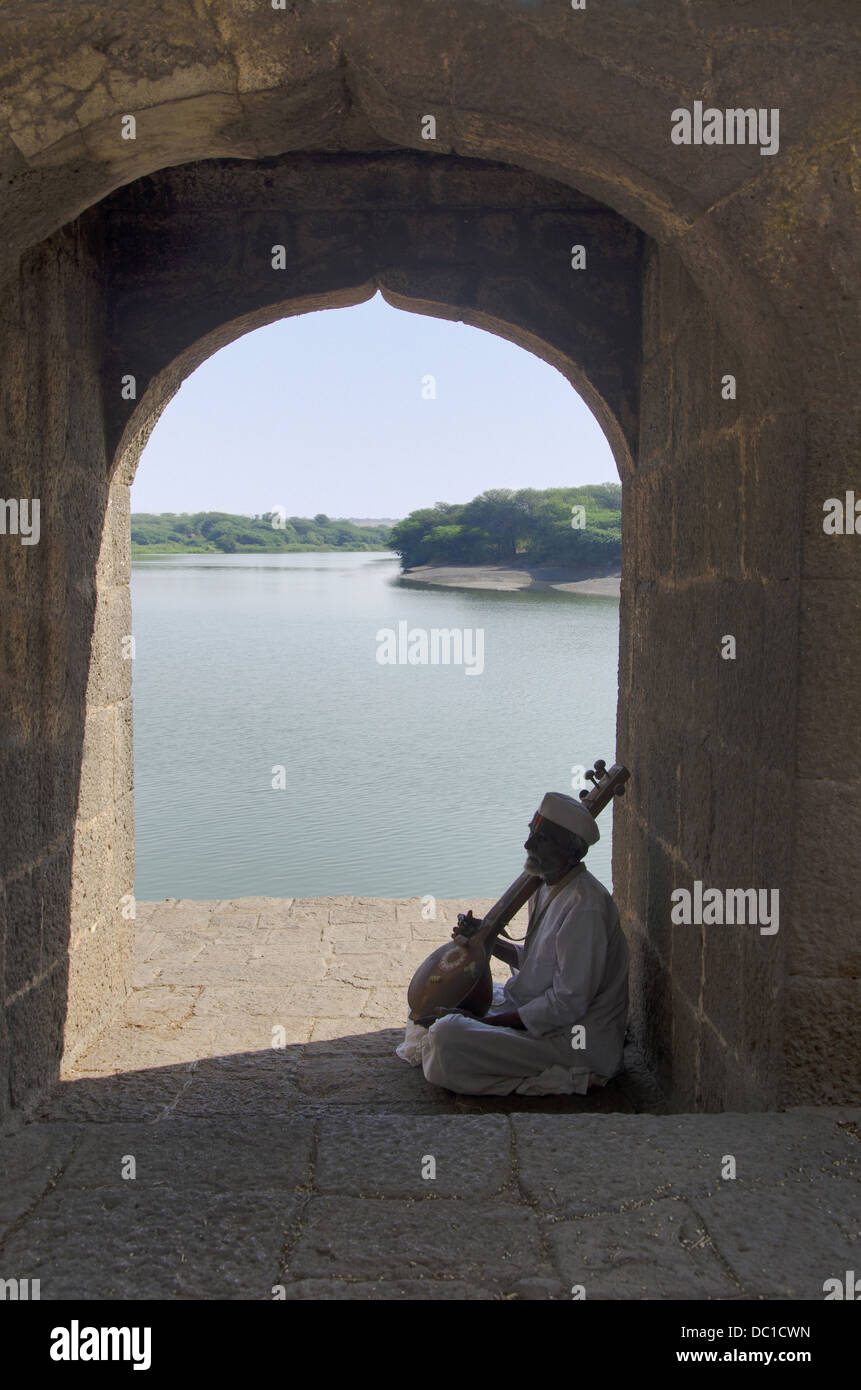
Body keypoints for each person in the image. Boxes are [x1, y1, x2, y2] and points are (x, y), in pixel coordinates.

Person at [417, 792, 629, 1096]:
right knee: (438, 1004)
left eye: (542, 839)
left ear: (570, 852)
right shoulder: (545, 884)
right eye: (532, 831)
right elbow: (539, 963)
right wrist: (484, 941)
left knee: (445, 1038)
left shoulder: (585, 907)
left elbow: (568, 1003)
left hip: (575, 1038)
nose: (528, 845)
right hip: (542, 1012)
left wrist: (491, 1023)